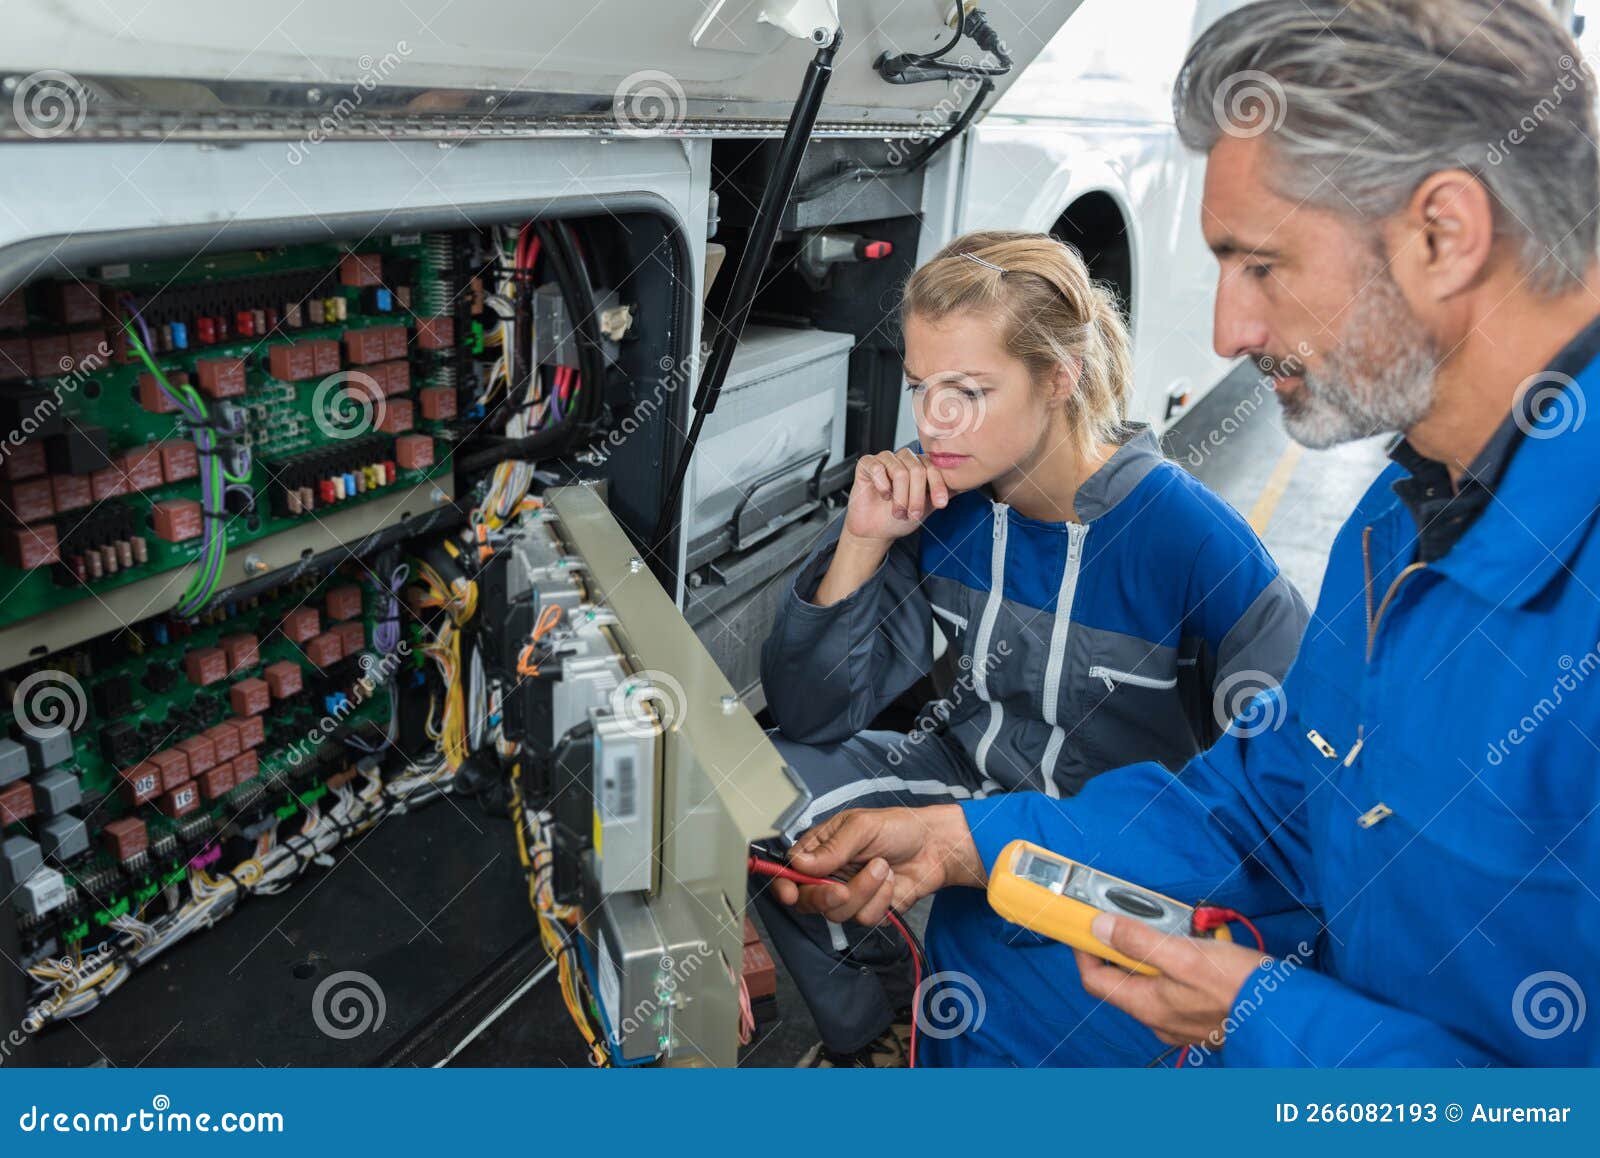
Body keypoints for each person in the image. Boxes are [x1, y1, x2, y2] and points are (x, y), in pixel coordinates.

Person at [768, 0, 1600, 1067]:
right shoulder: (1395, 528)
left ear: (1442, 233)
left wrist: (1267, 1024)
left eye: (1260, 265)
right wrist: (960, 839)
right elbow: (1273, 795)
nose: (1226, 332)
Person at [754, 229, 1310, 1066]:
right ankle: (881, 1025)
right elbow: (809, 712)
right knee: (762, 793)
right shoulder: (937, 494)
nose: (934, 421)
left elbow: (1290, 800)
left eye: (970, 391)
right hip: (967, 779)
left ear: (1060, 377)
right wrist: (863, 542)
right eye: (920, 387)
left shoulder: (1196, 544)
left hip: (1112, 828)